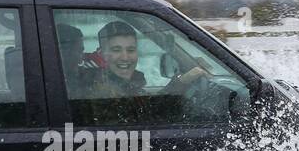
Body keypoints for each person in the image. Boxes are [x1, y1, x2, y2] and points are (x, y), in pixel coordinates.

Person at [75, 20, 209, 100]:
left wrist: (183, 80)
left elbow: (147, 108)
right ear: (102, 54)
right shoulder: (101, 91)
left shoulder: (126, 84)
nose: (125, 57)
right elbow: (151, 116)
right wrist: (181, 83)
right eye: (116, 50)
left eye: (131, 50)